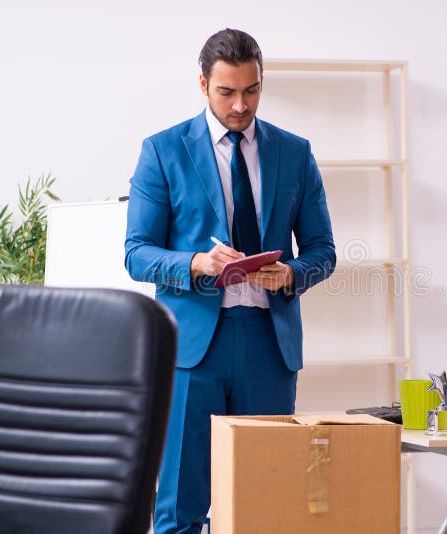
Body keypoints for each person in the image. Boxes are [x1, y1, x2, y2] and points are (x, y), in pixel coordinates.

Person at [124, 28, 336, 534]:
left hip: (269, 345)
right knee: (180, 504)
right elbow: (137, 253)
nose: (240, 105)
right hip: (193, 348)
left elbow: (323, 251)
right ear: (203, 85)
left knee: (269, 503)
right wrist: (197, 262)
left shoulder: (294, 152)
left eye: (251, 90)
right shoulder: (162, 151)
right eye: (227, 92)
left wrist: (291, 272)